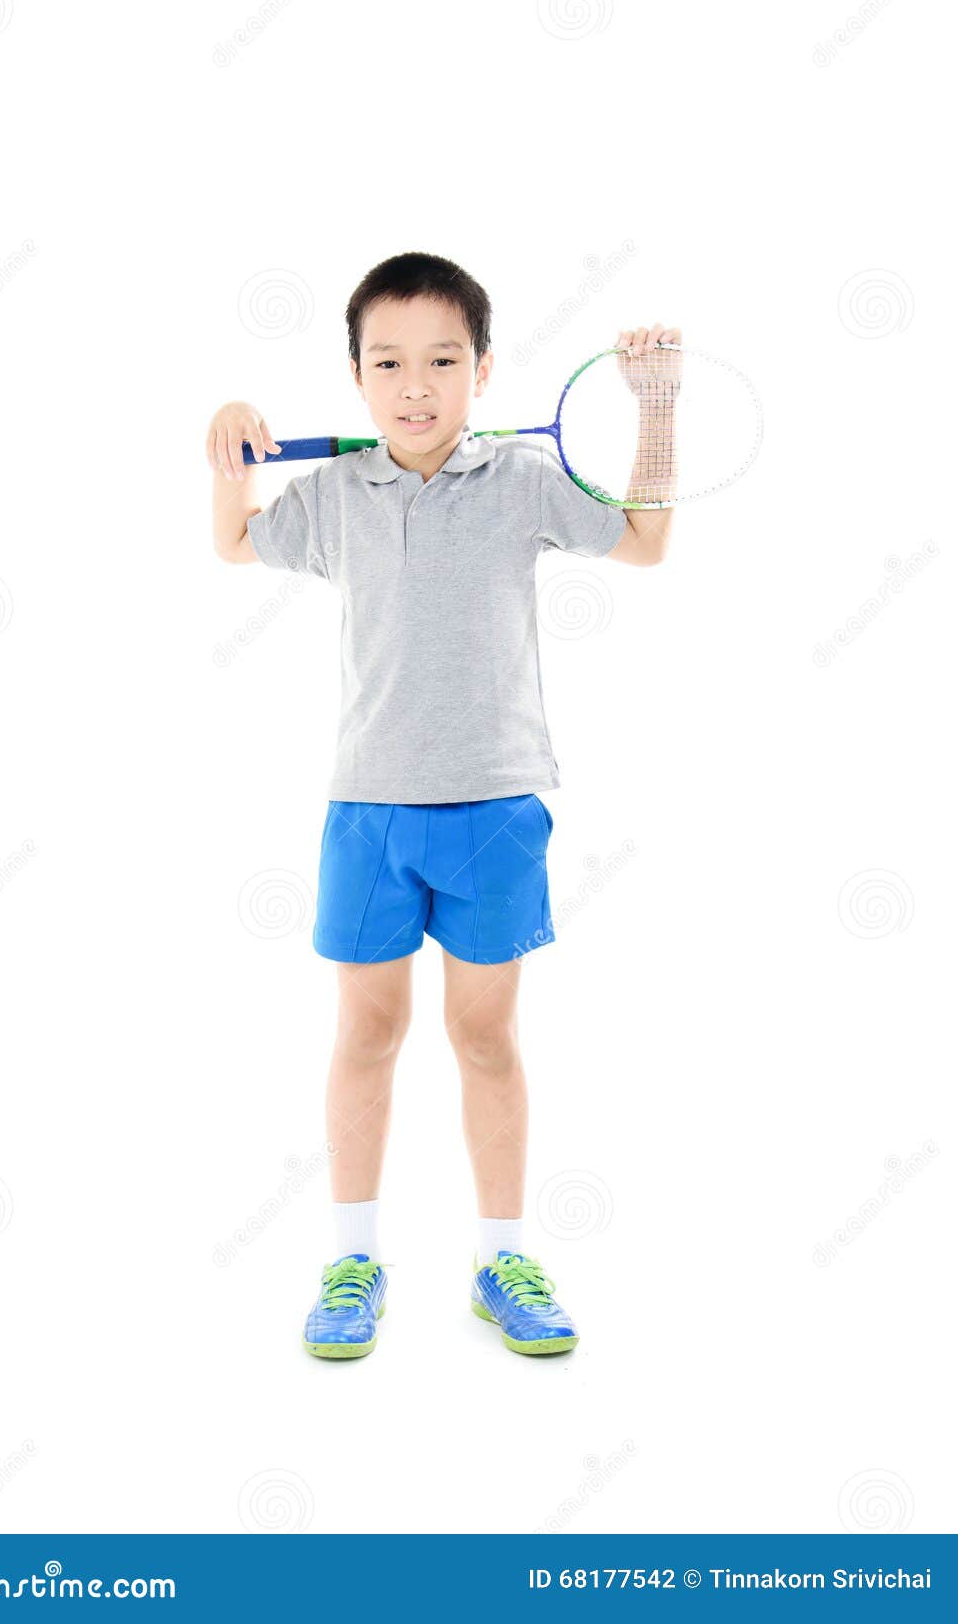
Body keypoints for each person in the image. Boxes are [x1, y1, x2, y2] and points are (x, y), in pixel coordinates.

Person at [206, 251, 678, 1359]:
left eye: (443, 360)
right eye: (388, 363)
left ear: (484, 370)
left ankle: (502, 1256)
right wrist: (228, 446)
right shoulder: (331, 496)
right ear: (357, 378)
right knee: (367, 1033)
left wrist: (653, 410)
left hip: (497, 811)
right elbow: (232, 537)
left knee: (485, 1035)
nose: (415, 384)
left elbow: (649, 539)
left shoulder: (519, 483)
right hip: (367, 813)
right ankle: (352, 1257)